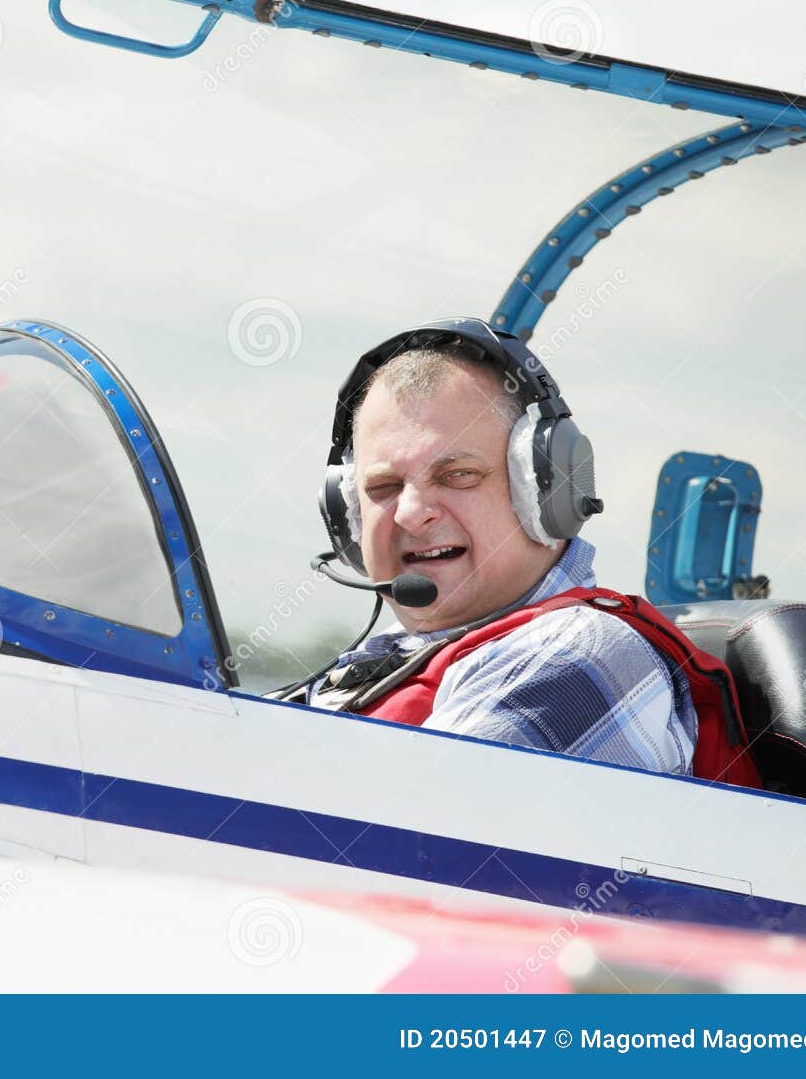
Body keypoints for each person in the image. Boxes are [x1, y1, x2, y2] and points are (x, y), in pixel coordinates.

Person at [293, 318, 760, 785]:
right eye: (384, 487)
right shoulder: (391, 661)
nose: (411, 513)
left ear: (546, 490)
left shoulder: (573, 658)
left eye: (458, 475)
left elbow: (397, 842)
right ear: (347, 512)